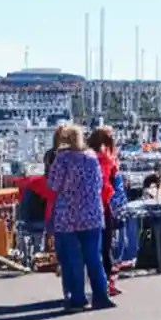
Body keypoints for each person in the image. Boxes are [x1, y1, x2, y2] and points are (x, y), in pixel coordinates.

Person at [48, 126, 114, 310]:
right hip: (92, 213)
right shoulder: (92, 157)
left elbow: (53, 184)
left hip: (68, 215)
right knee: (94, 257)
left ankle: (77, 298)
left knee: (73, 259)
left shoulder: (62, 159)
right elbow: (99, 183)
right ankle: (101, 296)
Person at [87, 127, 123, 296]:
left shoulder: (89, 155)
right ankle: (108, 282)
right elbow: (112, 174)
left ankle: (101, 282)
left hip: (93, 203)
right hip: (103, 202)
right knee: (106, 244)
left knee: (97, 246)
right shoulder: (105, 156)